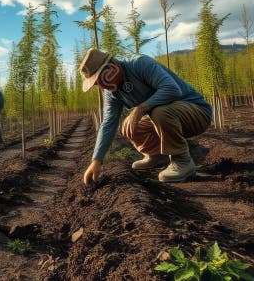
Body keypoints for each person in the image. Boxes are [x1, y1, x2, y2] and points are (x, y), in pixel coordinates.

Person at [78, 48, 212, 183]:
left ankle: (183, 161)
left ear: (111, 68)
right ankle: (156, 155)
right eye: (96, 84)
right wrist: (96, 160)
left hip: (197, 113)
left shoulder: (139, 64)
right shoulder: (112, 92)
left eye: (98, 80)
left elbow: (172, 89)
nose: (101, 86)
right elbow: (108, 123)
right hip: (167, 121)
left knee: (159, 112)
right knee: (128, 126)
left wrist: (140, 109)